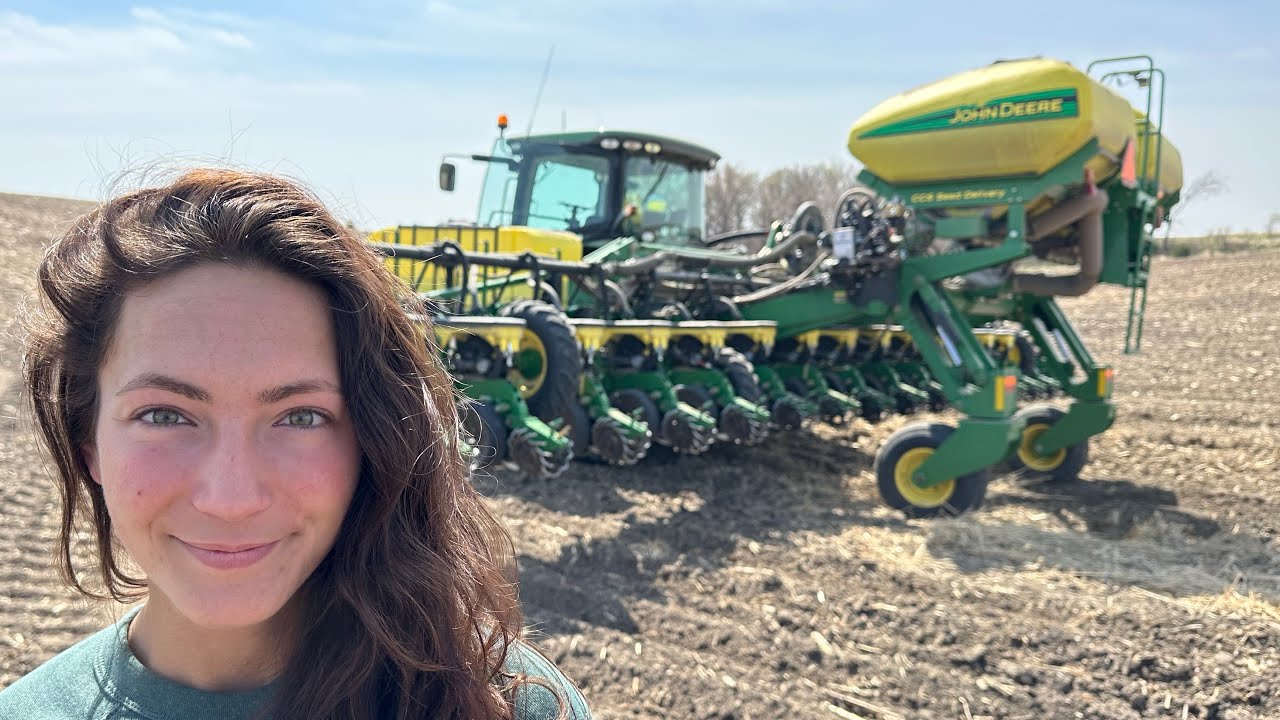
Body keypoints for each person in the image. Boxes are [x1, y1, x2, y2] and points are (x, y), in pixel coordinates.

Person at [0, 169, 592, 719]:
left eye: (301, 417)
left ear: (372, 439)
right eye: (164, 414)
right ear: (89, 442)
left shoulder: (504, 702)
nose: (231, 500)